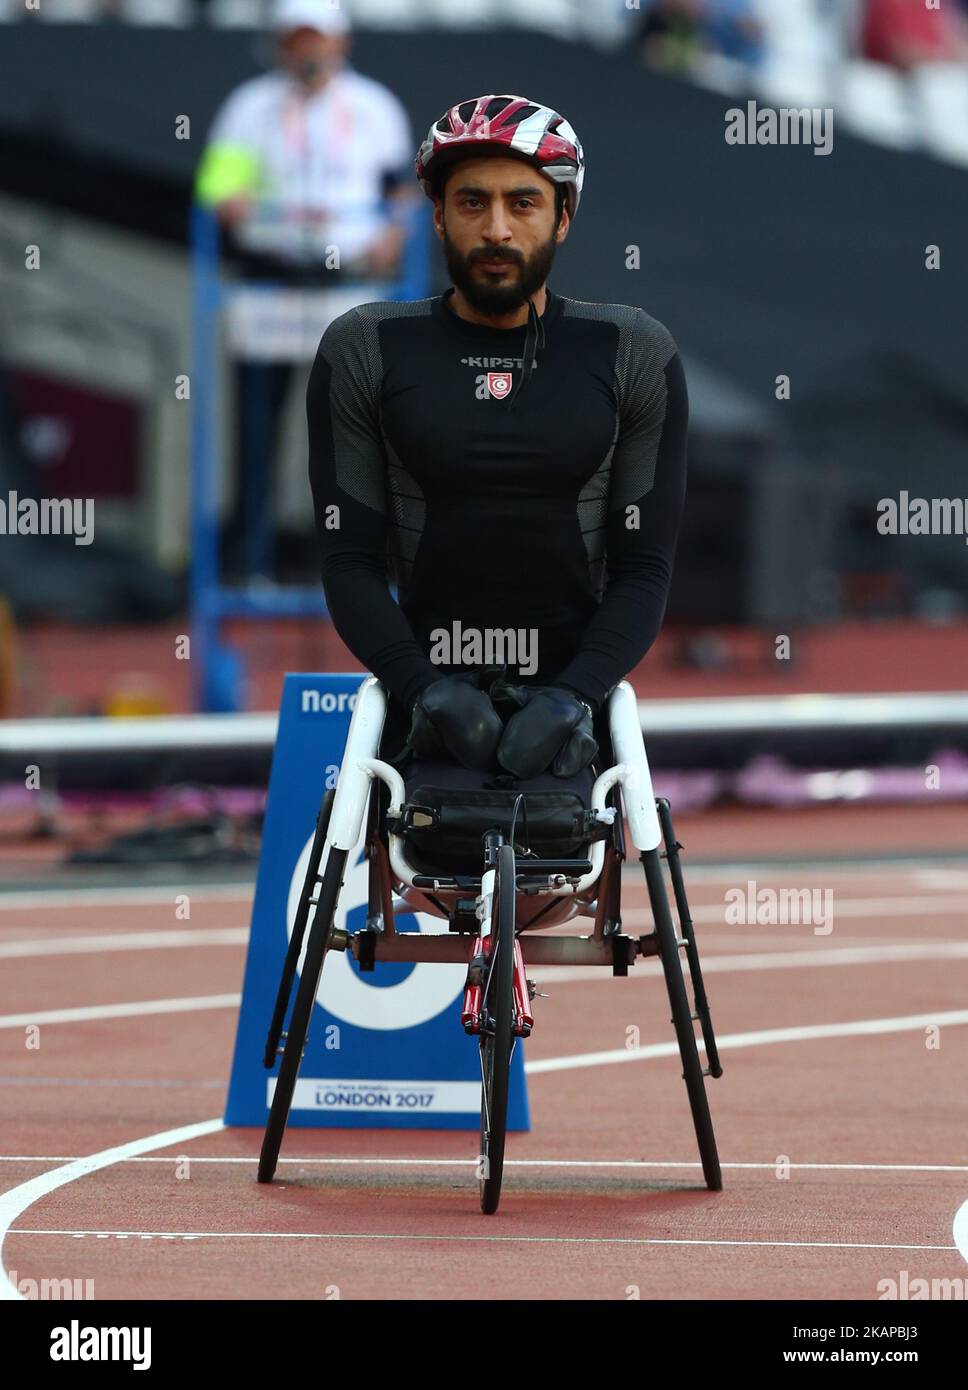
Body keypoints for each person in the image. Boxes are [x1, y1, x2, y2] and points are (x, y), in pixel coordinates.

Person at [307, 94, 688, 781]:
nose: (497, 229)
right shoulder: (364, 347)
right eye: (472, 203)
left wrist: (576, 694)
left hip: (574, 707)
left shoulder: (633, 349)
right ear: (438, 215)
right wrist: (421, 688)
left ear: (563, 217)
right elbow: (347, 561)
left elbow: (645, 570)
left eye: (523, 203)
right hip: (423, 707)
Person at [195, 0, 416, 579]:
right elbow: (218, 186)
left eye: (317, 37)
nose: (308, 50)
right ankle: (250, 563)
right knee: (256, 425)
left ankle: (364, 562)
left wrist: (394, 234)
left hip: (350, 284)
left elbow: (402, 193)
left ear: (340, 42)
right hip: (271, 279)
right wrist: (230, 199)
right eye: (297, 38)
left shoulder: (373, 107)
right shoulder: (250, 106)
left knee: (360, 426)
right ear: (280, 43)